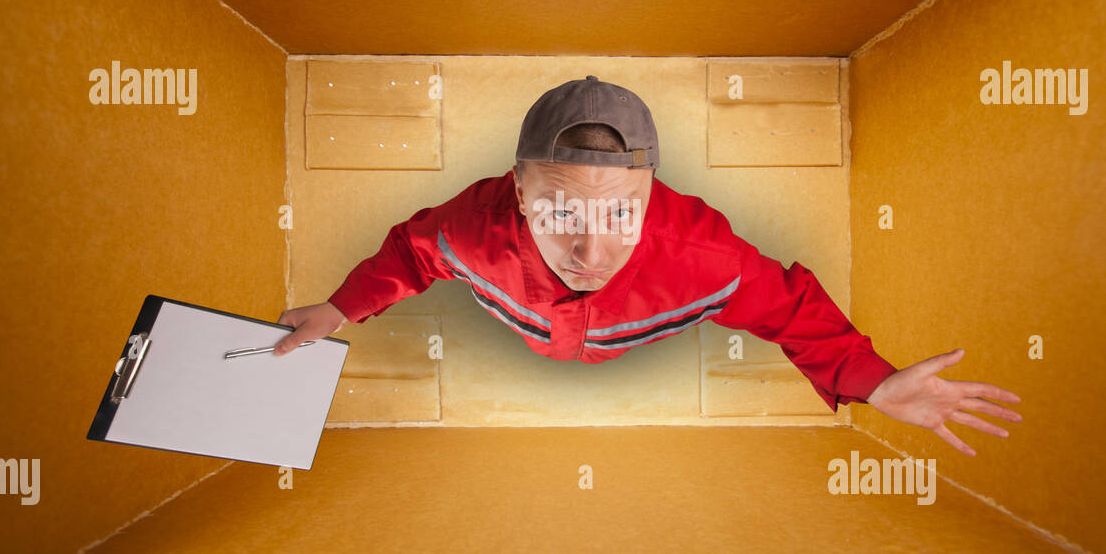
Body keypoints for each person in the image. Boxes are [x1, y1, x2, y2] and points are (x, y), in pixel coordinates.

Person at [274, 75, 1020, 456]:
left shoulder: (702, 256)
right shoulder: (473, 226)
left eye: (621, 213)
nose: (590, 254)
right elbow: (412, 251)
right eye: (560, 212)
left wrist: (877, 381)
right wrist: (339, 309)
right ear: (518, 186)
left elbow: (789, 309)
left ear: (652, 193)